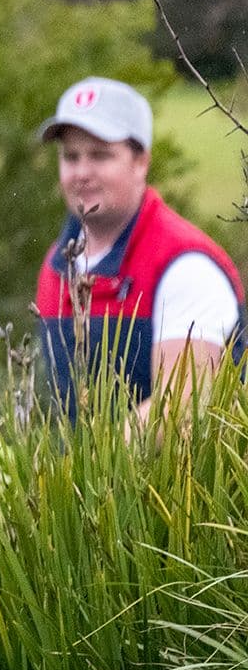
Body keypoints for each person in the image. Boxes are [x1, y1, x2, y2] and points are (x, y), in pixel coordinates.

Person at [33, 76, 243, 418]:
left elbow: (183, 410)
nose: (82, 172)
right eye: (71, 156)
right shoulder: (56, 266)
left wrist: (90, 455)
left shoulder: (186, 266)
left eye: (100, 155)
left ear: (141, 162)